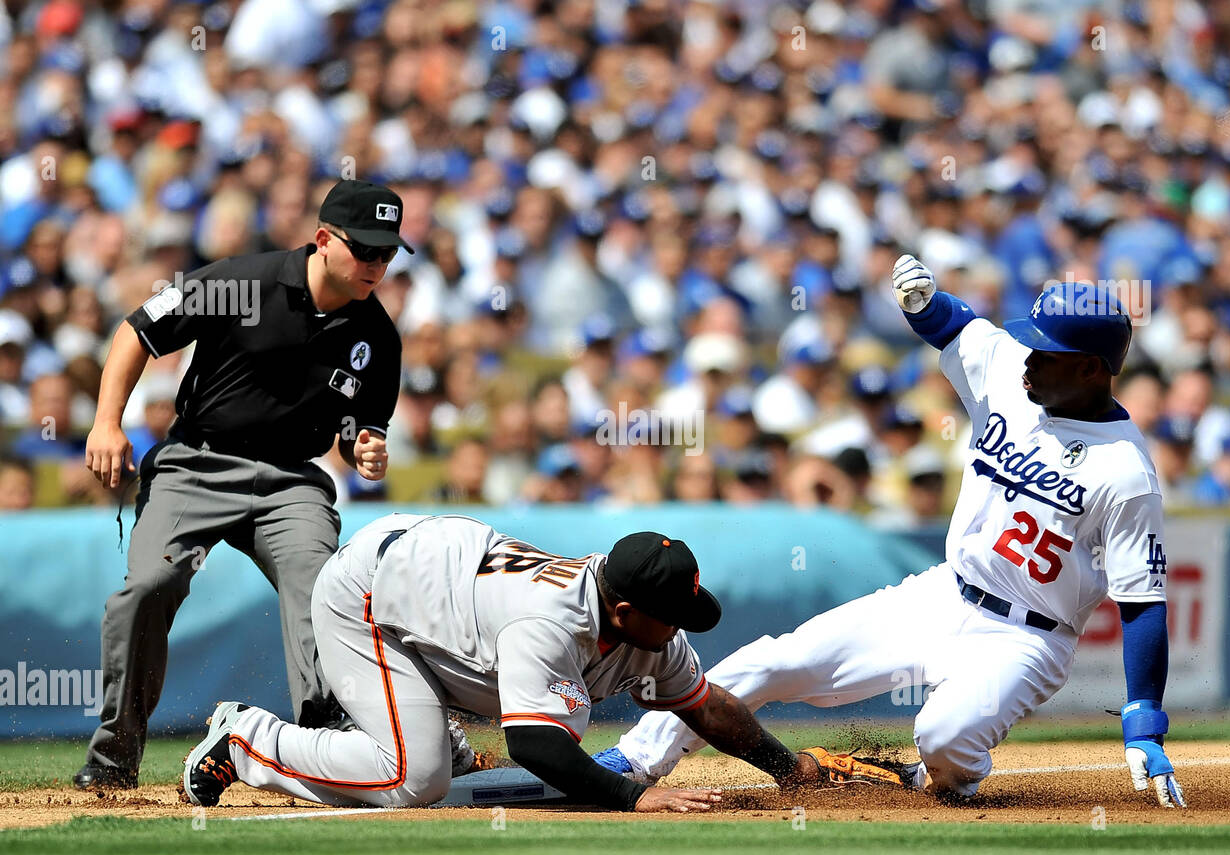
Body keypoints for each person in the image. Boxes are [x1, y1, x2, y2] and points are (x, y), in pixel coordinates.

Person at [595, 256, 1187, 808]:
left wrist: (1143, 720)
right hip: (944, 592)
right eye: (1029, 342)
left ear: (1090, 368)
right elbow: (953, 325)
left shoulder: (1126, 473)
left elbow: (1142, 604)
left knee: (944, 736)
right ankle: (634, 758)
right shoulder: (1012, 370)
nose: (1027, 356)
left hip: (1027, 640)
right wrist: (919, 298)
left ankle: (936, 779)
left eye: (1045, 351)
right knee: (778, 661)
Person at [74, 179, 408, 790]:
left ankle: (327, 744)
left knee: (324, 587)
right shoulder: (242, 281)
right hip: (198, 463)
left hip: (291, 481)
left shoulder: (377, 336)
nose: (377, 265)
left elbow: (356, 427)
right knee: (150, 584)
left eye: (388, 254)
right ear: (324, 240)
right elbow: (136, 331)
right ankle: (114, 756)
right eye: (366, 250)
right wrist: (105, 421)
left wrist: (364, 446)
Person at [182, 515, 818, 811]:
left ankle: (441, 737)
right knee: (414, 781)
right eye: (669, 613)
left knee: (466, 738)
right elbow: (536, 748)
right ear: (623, 611)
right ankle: (244, 740)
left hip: (443, 580)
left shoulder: (644, 627)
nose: (679, 625)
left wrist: (790, 769)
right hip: (370, 592)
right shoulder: (551, 624)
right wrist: (633, 796)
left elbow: (706, 707)